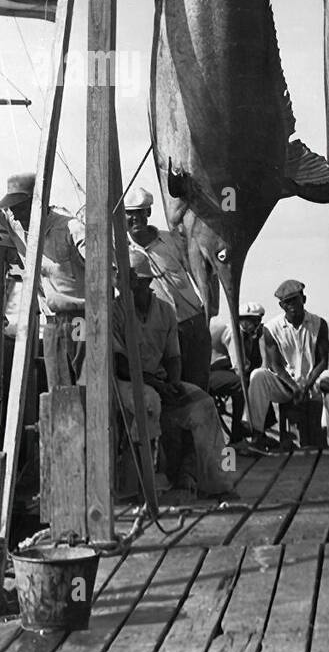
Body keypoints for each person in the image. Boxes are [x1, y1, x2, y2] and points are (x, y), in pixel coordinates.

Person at [108, 253, 234, 500]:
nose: (128, 287)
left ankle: (217, 482)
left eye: (134, 282)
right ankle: (145, 484)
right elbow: (119, 363)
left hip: (160, 381)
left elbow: (173, 356)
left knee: (204, 404)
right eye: (124, 281)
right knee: (149, 401)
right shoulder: (114, 312)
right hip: (124, 383)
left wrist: (174, 383)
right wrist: (158, 384)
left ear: (146, 283)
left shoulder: (165, 310)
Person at [0, 172, 86, 389]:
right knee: (58, 390)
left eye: (21, 207)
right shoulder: (15, 223)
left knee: (88, 385)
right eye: (12, 208)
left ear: (38, 202)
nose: (16, 213)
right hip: (52, 323)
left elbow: (104, 268)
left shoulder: (71, 227)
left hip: (81, 319)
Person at [124, 187, 211, 390]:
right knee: (169, 390)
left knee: (198, 390)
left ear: (149, 213)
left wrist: (209, 308)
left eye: (141, 211)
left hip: (191, 322)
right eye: (130, 213)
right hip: (157, 331)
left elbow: (204, 271)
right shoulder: (119, 251)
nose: (136, 218)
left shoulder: (173, 240)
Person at [246, 280, 328, 451]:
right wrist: (295, 387)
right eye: (287, 302)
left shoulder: (319, 323)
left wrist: (307, 384)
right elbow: (276, 365)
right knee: (258, 376)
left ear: (303, 299)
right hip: (287, 385)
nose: (292, 306)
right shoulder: (271, 328)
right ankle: (256, 435)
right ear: (281, 305)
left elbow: (323, 361)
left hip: (313, 383)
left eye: (295, 300)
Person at [208, 301, 264, 448]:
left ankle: (258, 431)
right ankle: (237, 436)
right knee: (241, 385)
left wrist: (256, 341)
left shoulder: (247, 335)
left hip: (221, 370)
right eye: (250, 321)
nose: (254, 324)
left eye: (257, 321)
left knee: (259, 380)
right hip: (209, 373)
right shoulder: (235, 332)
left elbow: (255, 364)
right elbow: (240, 367)